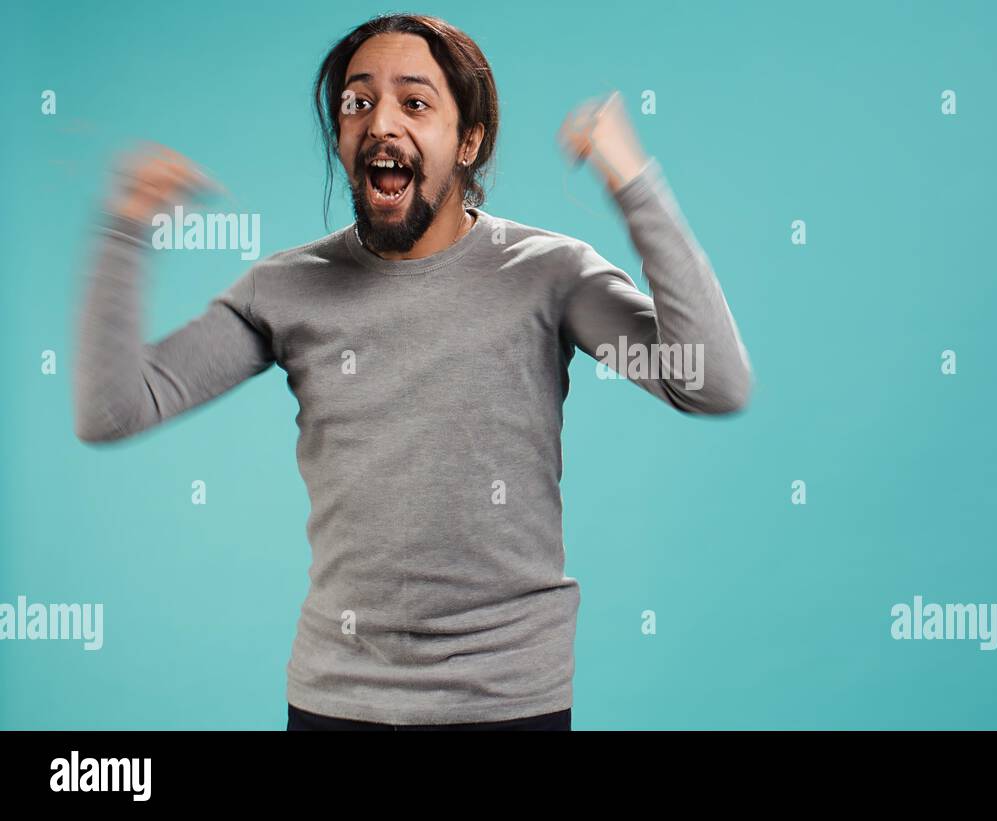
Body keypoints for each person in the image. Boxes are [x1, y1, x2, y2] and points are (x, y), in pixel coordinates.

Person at [73, 13, 752, 731]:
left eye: (415, 102)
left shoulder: (550, 274)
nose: (380, 123)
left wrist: (634, 185)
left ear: (469, 140)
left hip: (509, 702)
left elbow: (710, 382)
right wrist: (125, 229)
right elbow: (114, 409)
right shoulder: (285, 287)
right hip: (336, 701)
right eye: (357, 103)